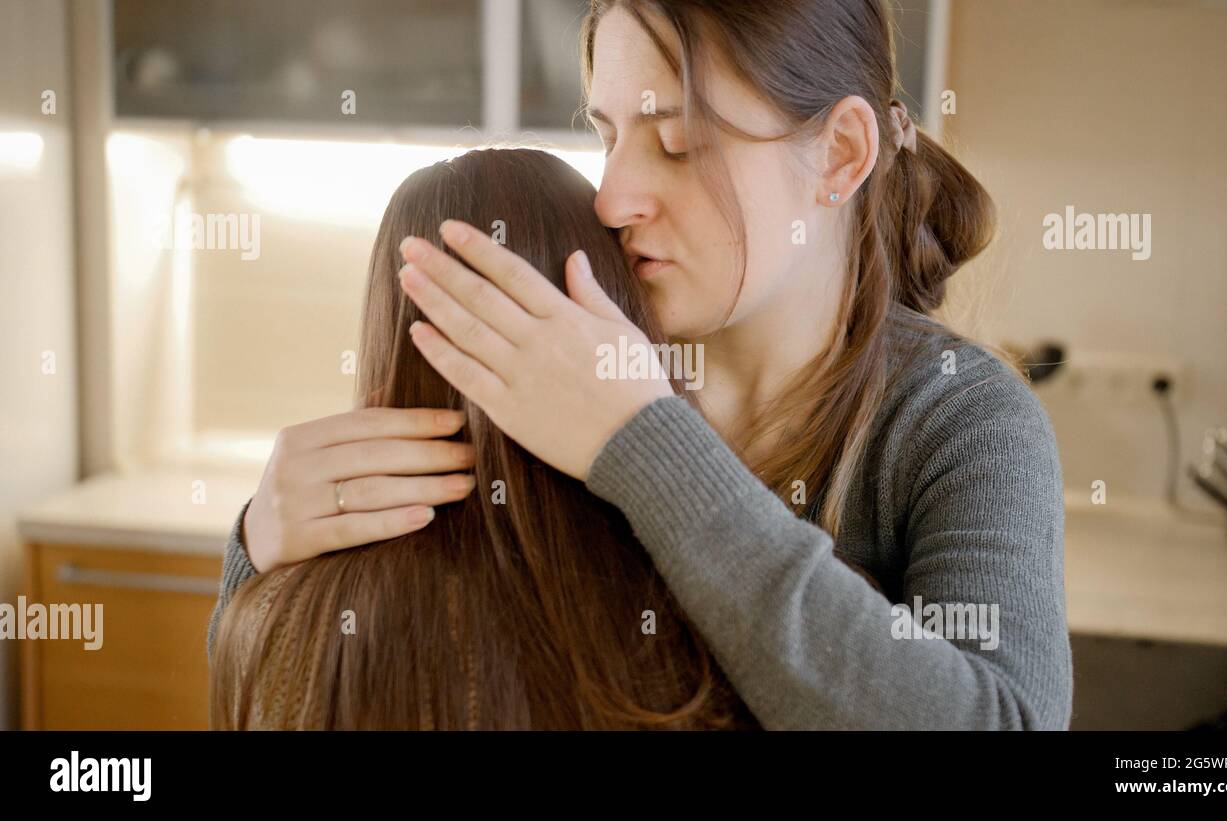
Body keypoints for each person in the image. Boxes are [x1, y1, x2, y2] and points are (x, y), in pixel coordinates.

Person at [210, 0, 1073, 730]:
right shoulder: (558, 354)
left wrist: (642, 443)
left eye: (678, 141)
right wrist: (261, 557)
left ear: (842, 154)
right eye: (608, 133)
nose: (613, 198)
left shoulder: (959, 421)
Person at [210, 148, 760, 730]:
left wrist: (254, 584)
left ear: (386, 324)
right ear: (613, 308)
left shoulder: (289, 617)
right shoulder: (720, 599)